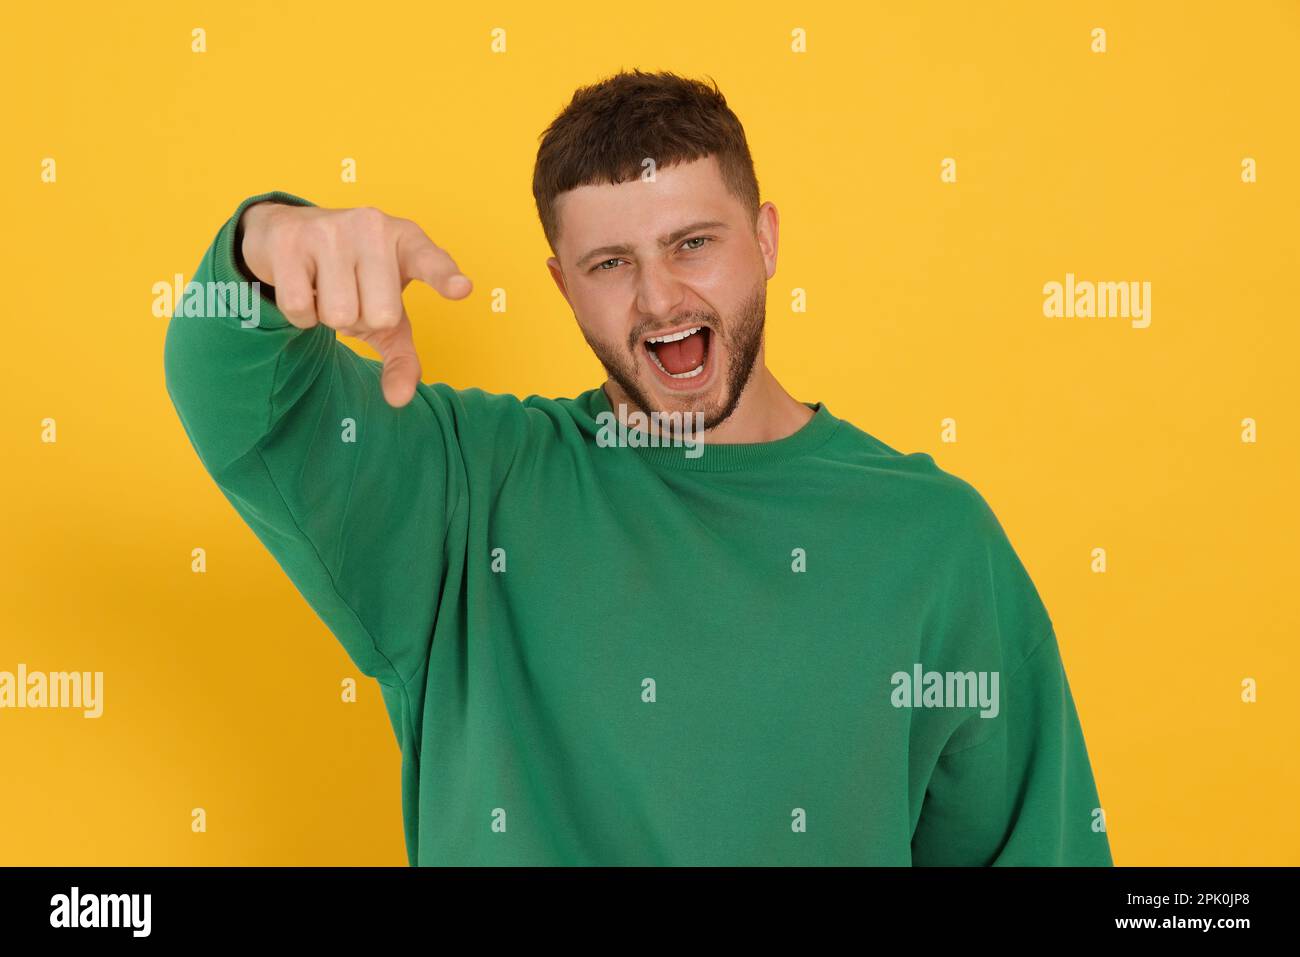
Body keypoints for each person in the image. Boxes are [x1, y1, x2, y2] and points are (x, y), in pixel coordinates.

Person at [163, 68, 1113, 866]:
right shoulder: (466, 492)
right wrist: (267, 245)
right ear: (560, 283)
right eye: (610, 262)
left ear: (768, 239)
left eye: (693, 243)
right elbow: (240, 400)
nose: (661, 298)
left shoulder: (938, 540)